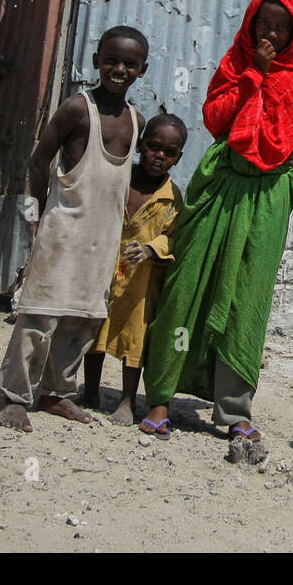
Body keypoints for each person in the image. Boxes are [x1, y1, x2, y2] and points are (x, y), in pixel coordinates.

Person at [141, 0, 293, 447]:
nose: (270, 33)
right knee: (187, 285)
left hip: (268, 198)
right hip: (221, 186)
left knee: (246, 300)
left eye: (280, 27)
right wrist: (256, 74)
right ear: (252, 25)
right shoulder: (237, 64)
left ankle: (234, 410)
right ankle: (160, 396)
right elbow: (217, 121)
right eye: (263, 24)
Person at [0, 26, 149, 432]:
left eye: (129, 64)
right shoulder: (77, 110)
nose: (119, 69)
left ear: (142, 70)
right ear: (97, 60)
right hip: (62, 231)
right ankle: (15, 395)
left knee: (82, 320)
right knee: (40, 315)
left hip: (103, 240)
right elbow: (38, 159)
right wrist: (37, 211)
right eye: (111, 60)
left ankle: (56, 393)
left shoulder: (138, 121)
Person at [81, 114, 187, 426]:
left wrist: (150, 249)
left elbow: (173, 236)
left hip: (142, 282)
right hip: (106, 270)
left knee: (135, 338)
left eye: (169, 153)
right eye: (153, 147)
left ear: (177, 158)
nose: (159, 156)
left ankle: (126, 401)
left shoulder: (171, 198)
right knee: (97, 330)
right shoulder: (120, 179)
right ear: (140, 145)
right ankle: (90, 391)